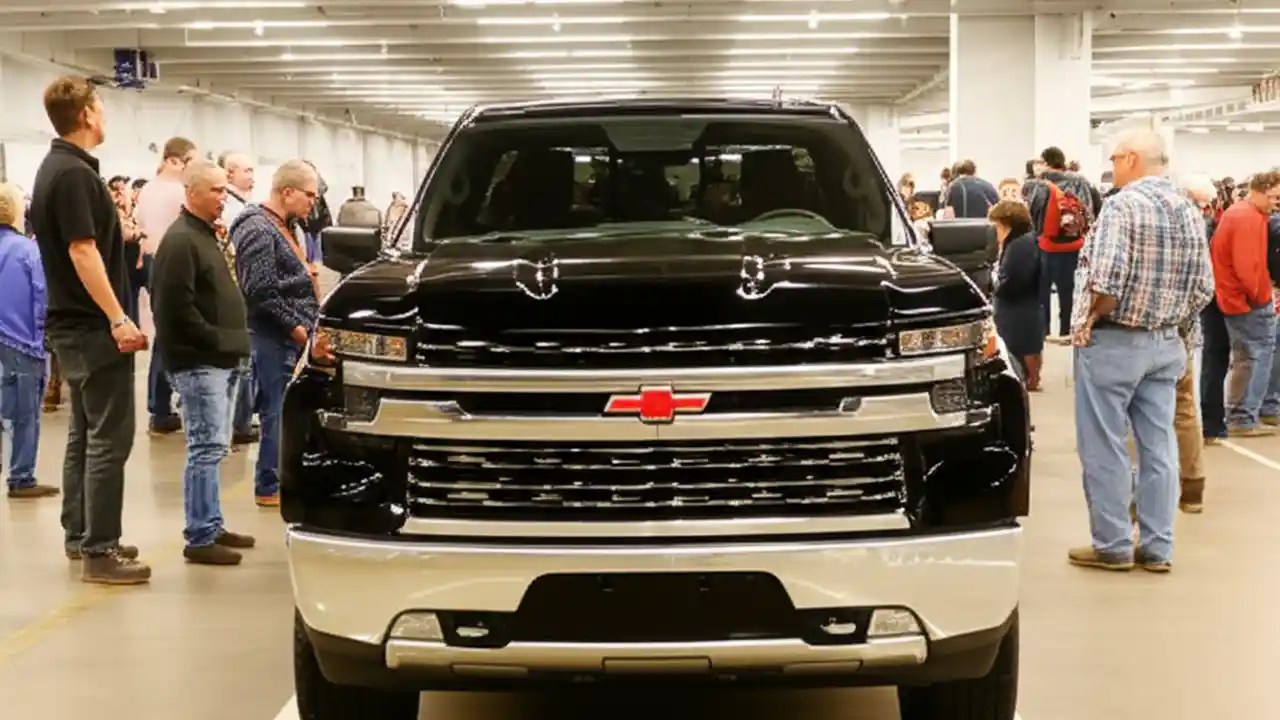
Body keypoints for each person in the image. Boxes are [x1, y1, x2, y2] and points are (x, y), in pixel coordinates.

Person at [1067, 128, 1214, 574]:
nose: (1112, 167)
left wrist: (1088, 320)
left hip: (1115, 341)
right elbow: (1204, 286)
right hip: (1166, 343)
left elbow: (1107, 280)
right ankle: (1158, 546)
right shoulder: (1188, 208)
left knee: (1104, 444)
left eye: (1114, 159)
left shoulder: (1121, 206)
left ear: (1130, 158)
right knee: (1159, 446)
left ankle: (1113, 544)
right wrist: (1175, 326)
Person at [30, 75, 151, 584]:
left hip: (72, 324)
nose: (104, 116)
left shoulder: (57, 169)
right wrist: (118, 318)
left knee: (84, 433)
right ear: (86, 115)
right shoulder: (74, 175)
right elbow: (82, 251)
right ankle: (100, 550)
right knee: (109, 438)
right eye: (100, 107)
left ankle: (81, 535)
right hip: (91, 326)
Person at [151, 160, 257, 565]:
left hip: (222, 359)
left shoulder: (207, 235)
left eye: (224, 190)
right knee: (205, 447)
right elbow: (174, 310)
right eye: (214, 190)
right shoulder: (181, 241)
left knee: (216, 447)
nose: (222, 198)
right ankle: (199, 535)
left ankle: (211, 523)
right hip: (199, 363)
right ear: (191, 192)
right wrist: (219, 339)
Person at [230, 160, 322, 508]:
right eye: (309, 195)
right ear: (287, 192)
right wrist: (297, 330)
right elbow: (261, 292)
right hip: (274, 337)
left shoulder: (285, 226)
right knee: (277, 412)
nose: (313, 202)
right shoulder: (257, 229)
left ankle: (284, 477)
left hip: (290, 336)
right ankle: (269, 484)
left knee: (287, 411)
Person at [135, 136, 199, 436]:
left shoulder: (148, 189)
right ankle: (166, 405)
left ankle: (160, 405)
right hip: (172, 263)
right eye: (190, 161)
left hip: (153, 261)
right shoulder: (178, 192)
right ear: (175, 160)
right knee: (175, 335)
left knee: (165, 333)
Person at [0, 183, 59, 499]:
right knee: (24, 414)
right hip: (20, 340)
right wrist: (44, 336)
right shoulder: (27, 250)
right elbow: (42, 298)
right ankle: (21, 475)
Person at [1210, 171, 1280, 437]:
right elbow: (1248, 268)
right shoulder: (1246, 218)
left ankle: (1252, 411)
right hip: (1245, 301)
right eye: (1273, 197)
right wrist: (1262, 296)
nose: (1276, 203)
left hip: (1238, 298)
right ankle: (1242, 416)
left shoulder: (1244, 214)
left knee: (1251, 356)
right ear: (1259, 190)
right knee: (1253, 356)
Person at [988, 200, 1044, 390]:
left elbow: (1014, 278)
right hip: (1025, 305)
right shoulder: (1024, 242)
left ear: (1007, 224)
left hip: (1017, 307)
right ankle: (1031, 377)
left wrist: (997, 288)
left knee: (1022, 344)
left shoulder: (1019, 246)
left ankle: (1029, 378)